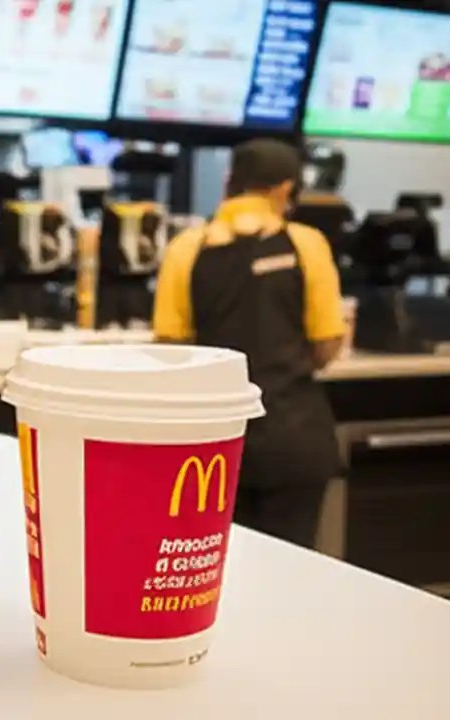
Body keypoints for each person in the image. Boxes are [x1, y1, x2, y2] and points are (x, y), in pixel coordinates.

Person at [152, 138, 345, 549]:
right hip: (293, 437)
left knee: (213, 567)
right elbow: (327, 341)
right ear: (284, 188)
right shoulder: (307, 243)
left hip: (213, 444)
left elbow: (170, 345)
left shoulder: (187, 247)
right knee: (291, 567)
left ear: (230, 182)